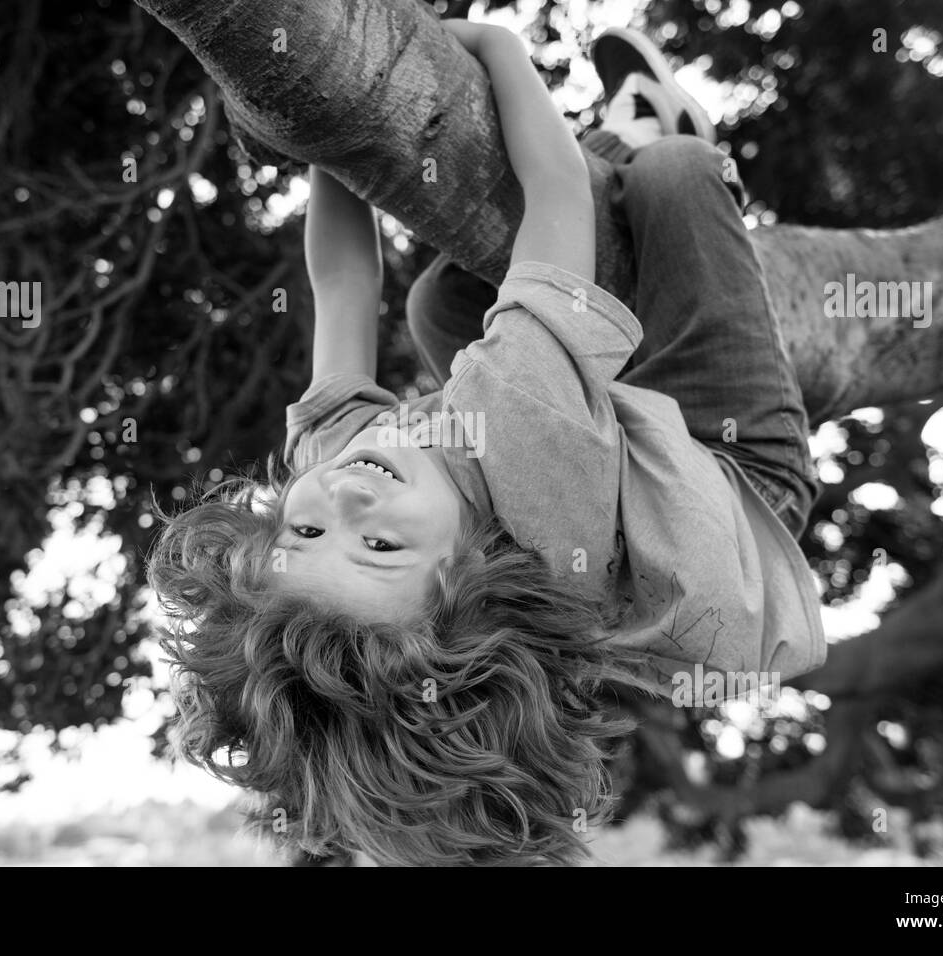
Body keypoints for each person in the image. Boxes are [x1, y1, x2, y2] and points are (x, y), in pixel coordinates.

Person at [148, 22, 825, 866]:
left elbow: (345, 286)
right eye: (382, 545)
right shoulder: (526, 439)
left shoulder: (334, 466)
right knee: (672, 181)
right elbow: (558, 196)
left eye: (305, 534)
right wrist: (502, 48)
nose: (343, 502)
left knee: (437, 307)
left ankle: (615, 164)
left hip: (618, 489)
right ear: (477, 579)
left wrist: (323, 129)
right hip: (736, 486)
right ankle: (659, 122)